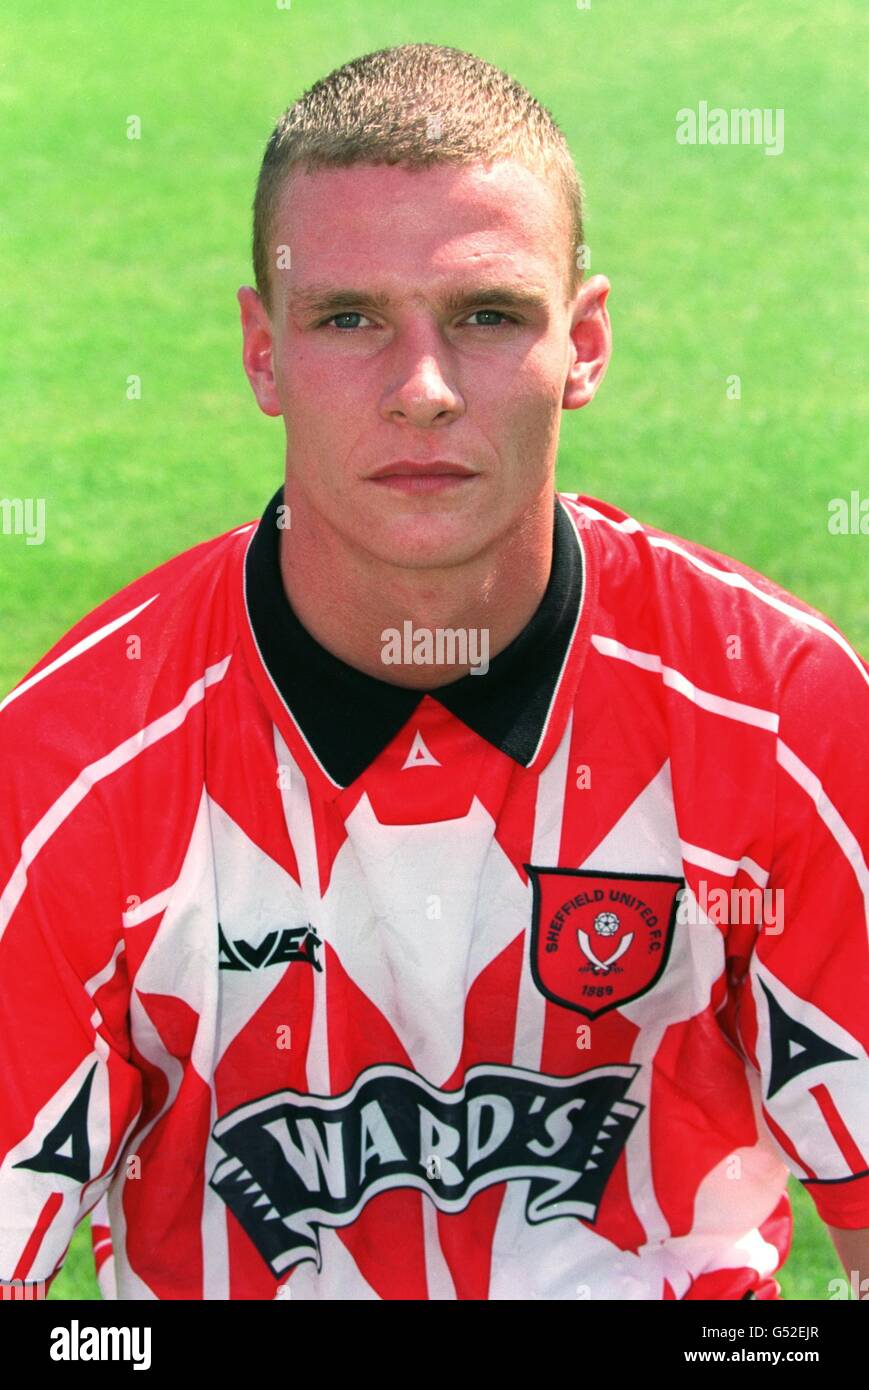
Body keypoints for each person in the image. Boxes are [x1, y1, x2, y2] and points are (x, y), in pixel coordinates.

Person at [1, 42, 867, 1303]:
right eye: (348, 318)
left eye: (485, 316)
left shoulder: (776, 710)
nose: (420, 391)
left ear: (584, 342)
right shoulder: (66, 762)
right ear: (262, 351)